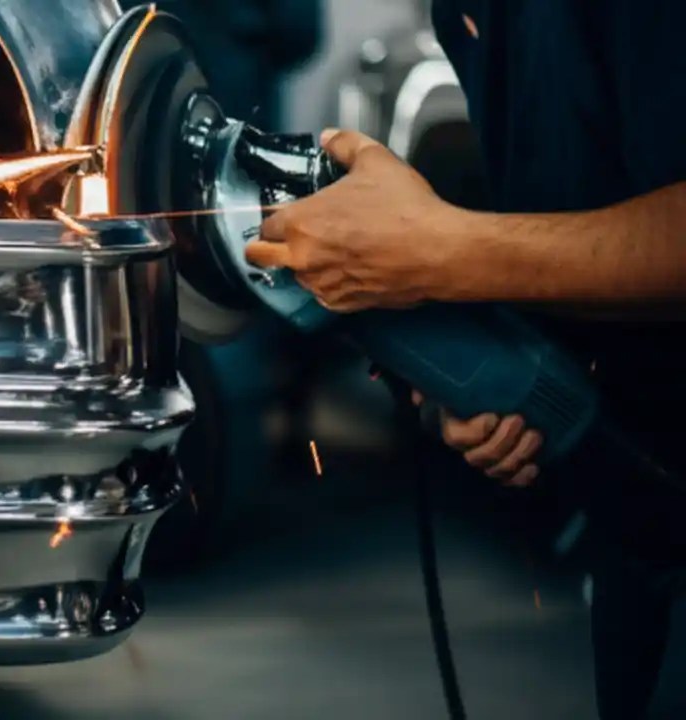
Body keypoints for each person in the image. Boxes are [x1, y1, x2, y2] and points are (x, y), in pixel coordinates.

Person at [246, 2, 686, 718]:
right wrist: (489, 362)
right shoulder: (463, 14)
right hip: (639, 514)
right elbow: (568, 228)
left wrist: (437, 255)